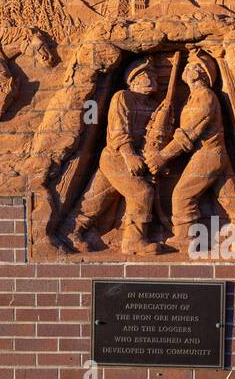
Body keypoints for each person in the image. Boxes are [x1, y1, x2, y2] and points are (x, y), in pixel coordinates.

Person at [145, 50, 235, 251]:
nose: (187, 70)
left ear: (198, 73)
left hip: (209, 153)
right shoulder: (194, 97)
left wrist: (162, 157)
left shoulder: (204, 97)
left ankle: (185, 238)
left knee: (182, 194)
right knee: (231, 196)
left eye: (191, 66)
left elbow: (187, 134)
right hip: (209, 153)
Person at [63, 58, 167, 255]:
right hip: (117, 156)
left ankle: (70, 231)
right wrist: (129, 155)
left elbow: (154, 136)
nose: (151, 80)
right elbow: (118, 129)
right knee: (141, 193)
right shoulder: (122, 97)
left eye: (154, 76)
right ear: (133, 80)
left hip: (138, 159)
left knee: (96, 198)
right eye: (146, 76)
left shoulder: (155, 106)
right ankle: (133, 242)